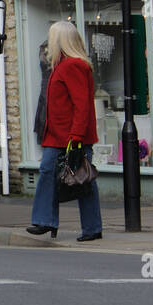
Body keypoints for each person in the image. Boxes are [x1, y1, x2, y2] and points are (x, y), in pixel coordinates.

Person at [28, 21, 102, 241]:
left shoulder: (73, 66)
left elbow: (82, 105)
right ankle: (46, 221)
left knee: (82, 179)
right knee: (52, 174)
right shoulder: (62, 65)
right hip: (58, 135)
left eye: (51, 37)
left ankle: (90, 227)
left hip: (71, 136)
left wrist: (77, 137)